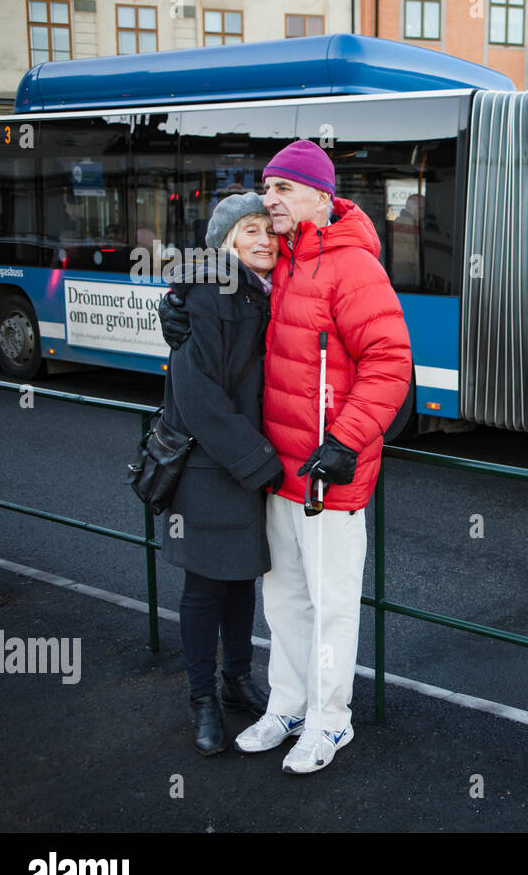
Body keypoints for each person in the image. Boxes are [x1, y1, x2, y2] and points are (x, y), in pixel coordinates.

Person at [162, 140, 412, 774]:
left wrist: (346, 441)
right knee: (285, 601)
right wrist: (180, 301)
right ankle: (289, 705)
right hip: (281, 472)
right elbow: (227, 292)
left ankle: (331, 721)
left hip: (329, 473)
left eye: (282, 190)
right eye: (266, 189)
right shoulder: (288, 261)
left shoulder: (353, 267)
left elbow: (390, 362)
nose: (268, 200)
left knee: (329, 605)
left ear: (321, 198)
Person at [160, 193, 285, 755]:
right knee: (205, 588)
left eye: (269, 230)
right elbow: (197, 394)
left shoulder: (256, 290)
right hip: (213, 464)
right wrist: (257, 461)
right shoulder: (215, 290)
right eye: (250, 230)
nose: (264, 240)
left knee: (240, 580)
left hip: (241, 462)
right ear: (226, 240)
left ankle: (236, 680)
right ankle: (202, 698)